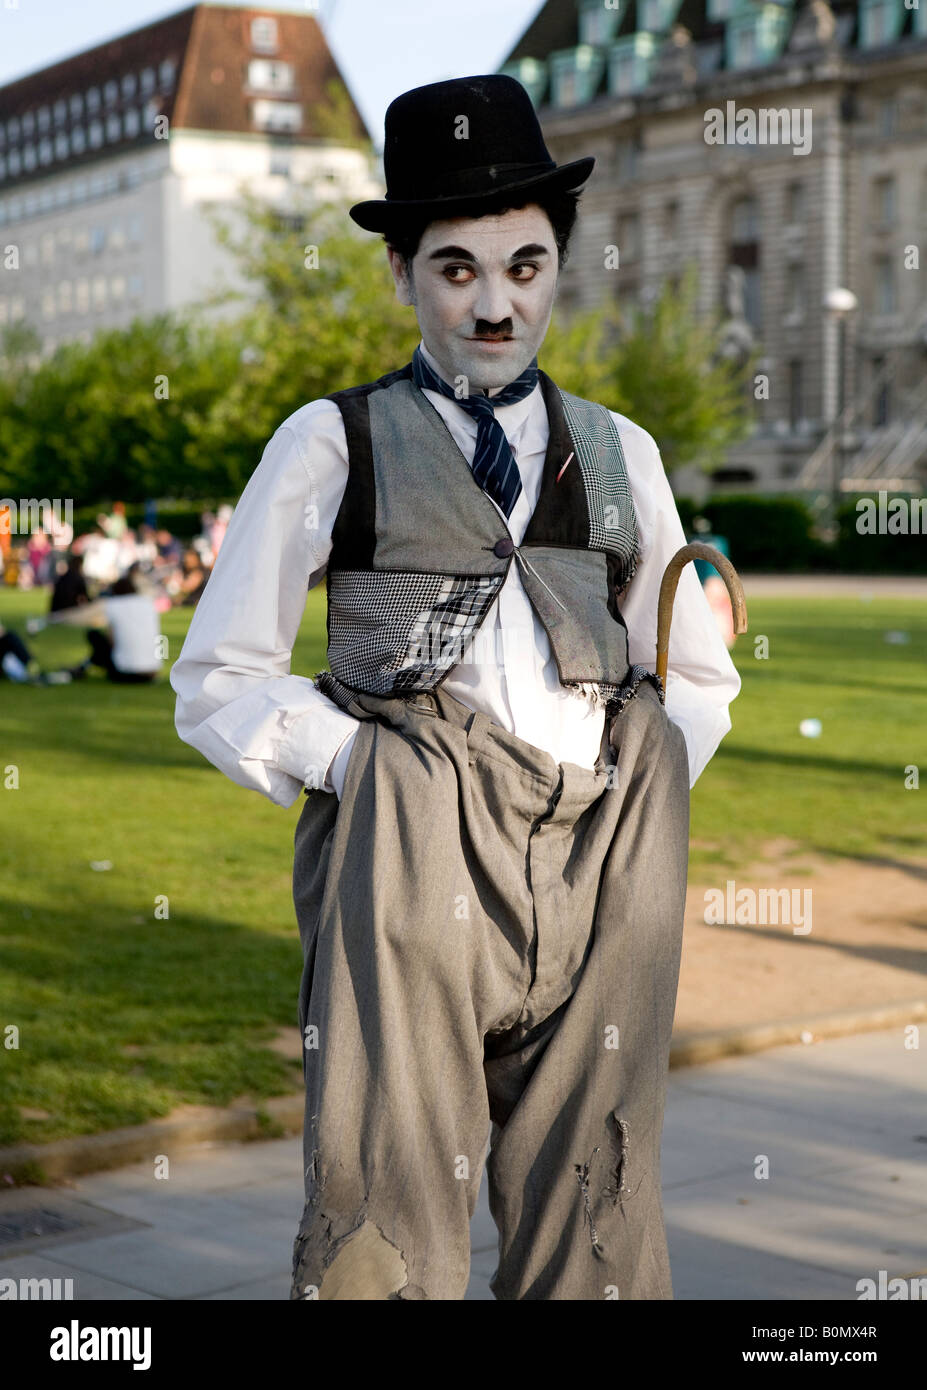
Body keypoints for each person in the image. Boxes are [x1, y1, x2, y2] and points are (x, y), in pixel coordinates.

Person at [170, 75, 741, 1301]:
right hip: (410, 839)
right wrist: (362, 766)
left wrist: (646, 775)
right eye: (459, 269)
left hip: (601, 838)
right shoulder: (334, 440)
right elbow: (217, 674)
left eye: (526, 267)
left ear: (559, 266)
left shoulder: (620, 449)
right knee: (386, 1204)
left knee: (600, 1201)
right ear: (404, 275)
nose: (496, 305)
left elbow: (696, 670)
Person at [29, 567, 162, 682]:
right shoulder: (148, 604)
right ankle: (82, 667)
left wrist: (52, 619)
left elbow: (81, 617)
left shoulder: (112, 605)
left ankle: (81, 668)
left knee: (94, 636)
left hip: (125, 673)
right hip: (152, 671)